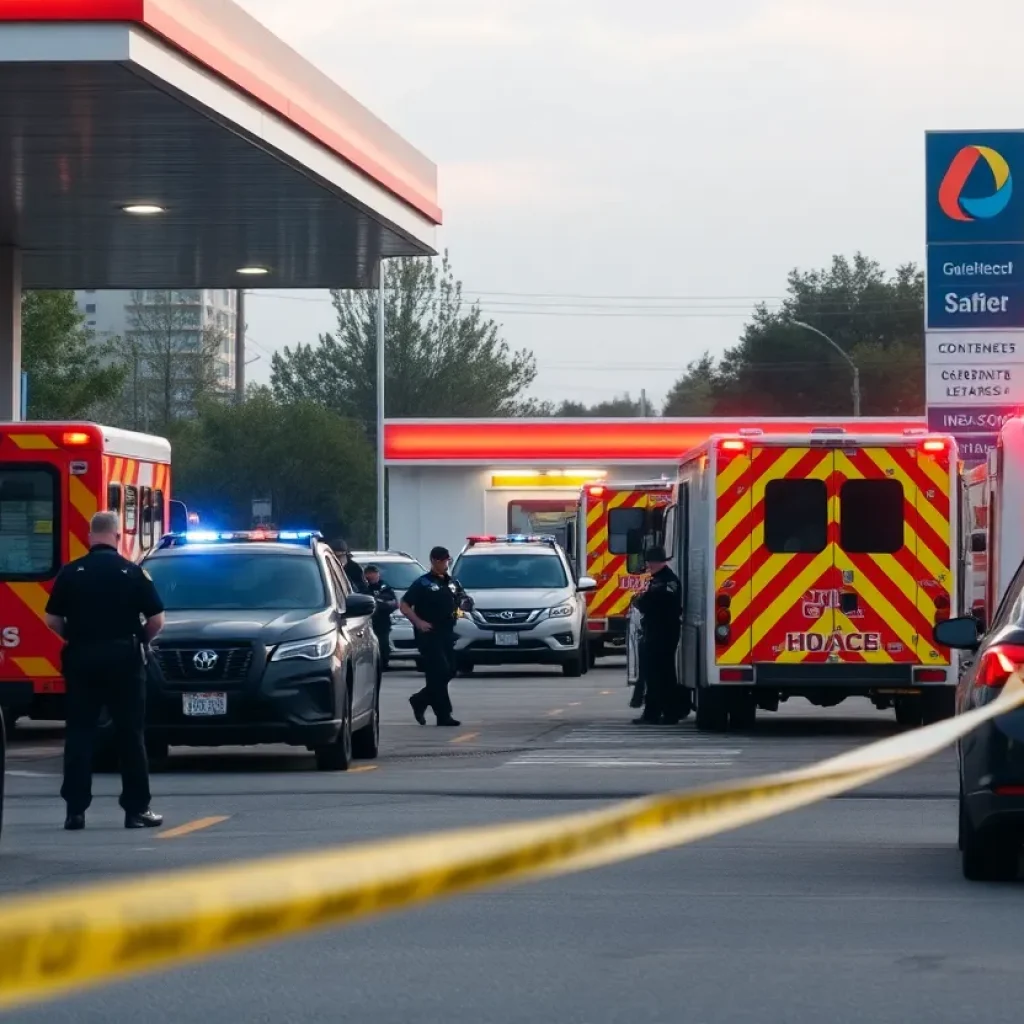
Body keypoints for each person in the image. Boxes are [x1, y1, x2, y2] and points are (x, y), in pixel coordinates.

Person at [43, 510, 166, 830]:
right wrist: (140, 640)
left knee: (80, 734)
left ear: (89, 537)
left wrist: (75, 637)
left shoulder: (71, 572)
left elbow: (52, 619)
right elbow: (156, 620)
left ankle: (75, 811)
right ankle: (136, 810)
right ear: (117, 537)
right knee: (130, 735)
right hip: (125, 661)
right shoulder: (132, 572)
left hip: (82, 659)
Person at [400, 546, 472, 727]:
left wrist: (465, 605)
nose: (445, 564)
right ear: (433, 561)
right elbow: (404, 605)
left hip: (447, 632)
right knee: (439, 671)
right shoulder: (423, 583)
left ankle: (420, 700)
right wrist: (418, 622)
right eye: (442, 561)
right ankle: (443, 714)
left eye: (447, 560)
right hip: (429, 633)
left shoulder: (452, 582)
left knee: (450, 670)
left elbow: (463, 600)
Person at [632, 545, 682, 725]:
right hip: (658, 632)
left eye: (651, 562)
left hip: (662, 633)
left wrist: (641, 600)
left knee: (660, 674)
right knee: (657, 673)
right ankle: (658, 712)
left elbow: (650, 604)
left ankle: (664, 713)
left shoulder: (666, 581)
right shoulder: (660, 580)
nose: (649, 565)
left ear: (659, 562)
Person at [363, 564, 398, 671]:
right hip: (366, 620)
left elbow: (391, 602)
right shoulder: (363, 586)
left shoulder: (384, 586)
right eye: (369, 573)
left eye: (374, 573)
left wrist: (377, 600)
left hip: (382, 620)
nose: (372, 576)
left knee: (383, 643)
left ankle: (384, 663)